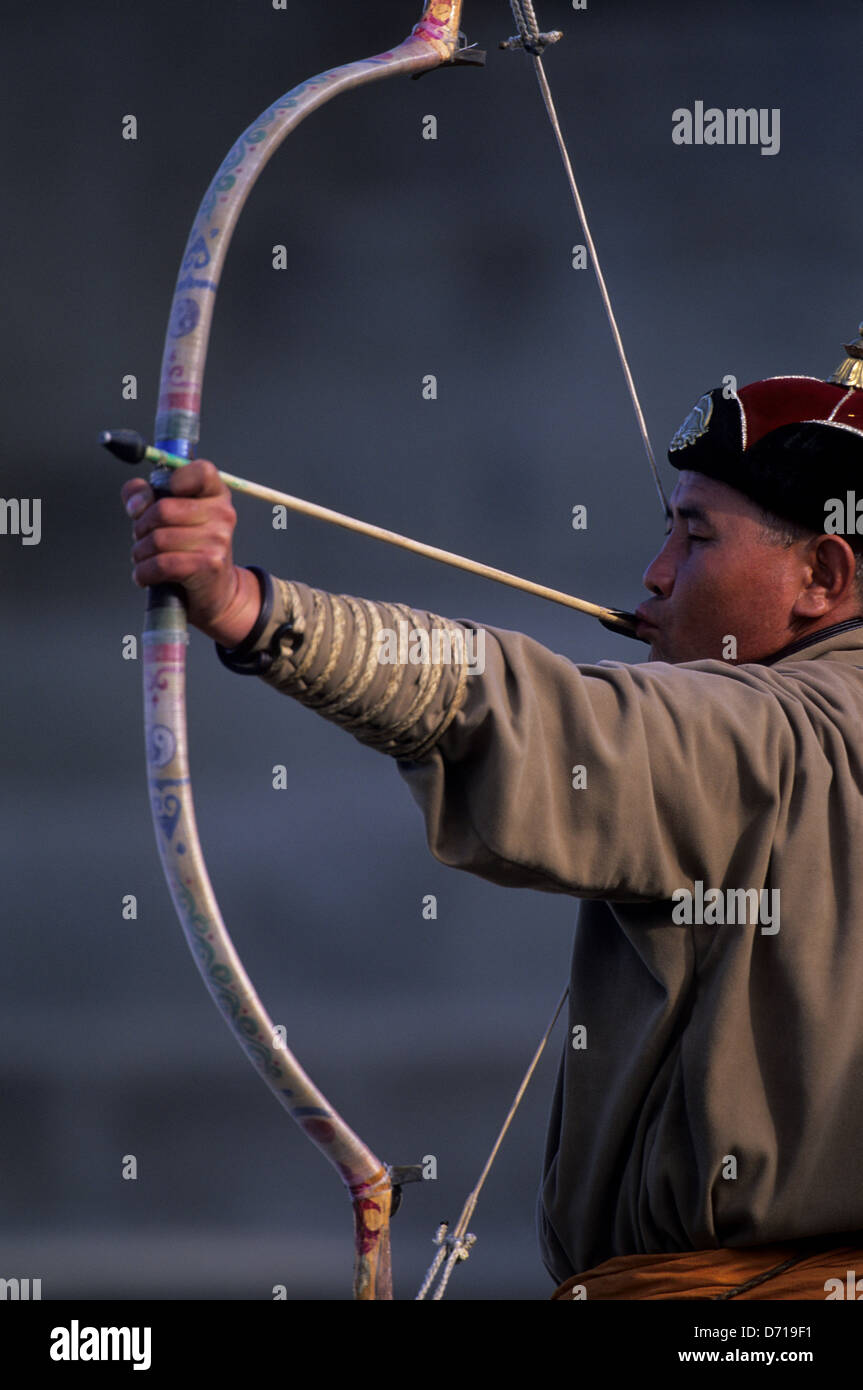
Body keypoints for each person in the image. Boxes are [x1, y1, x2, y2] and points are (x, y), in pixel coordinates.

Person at [122, 336, 863, 1300]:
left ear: (822, 575)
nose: (653, 572)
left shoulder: (781, 740)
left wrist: (248, 607)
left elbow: (522, 708)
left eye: (697, 536)